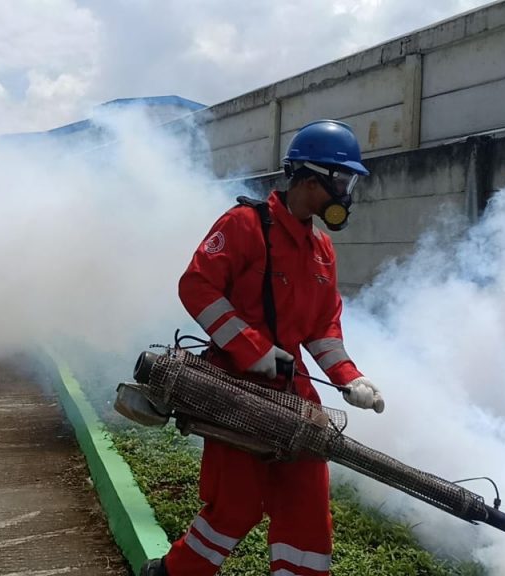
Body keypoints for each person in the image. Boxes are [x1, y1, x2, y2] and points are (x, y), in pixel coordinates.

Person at [140, 119, 384, 576]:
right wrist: (253, 348)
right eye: (343, 180)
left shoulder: (321, 249)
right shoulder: (244, 225)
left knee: (307, 516)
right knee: (235, 508)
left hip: (294, 398)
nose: (347, 193)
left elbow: (322, 328)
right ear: (312, 178)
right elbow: (197, 287)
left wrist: (351, 380)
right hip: (232, 390)